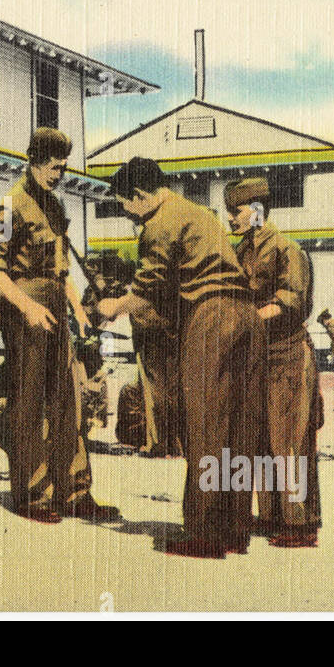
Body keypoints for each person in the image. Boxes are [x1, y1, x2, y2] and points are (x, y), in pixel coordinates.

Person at [97, 156, 264, 558]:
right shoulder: (200, 213)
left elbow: (147, 290)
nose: (128, 213)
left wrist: (113, 306)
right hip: (247, 318)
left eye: (126, 205)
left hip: (212, 319)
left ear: (139, 196)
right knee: (239, 429)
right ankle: (234, 530)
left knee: (205, 426)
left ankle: (205, 534)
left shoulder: (158, 225)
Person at [0, 127, 119, 524]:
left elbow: (61, 271)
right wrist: (25, 306)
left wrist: (76, 309)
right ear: (34, 161)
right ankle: (33, 495)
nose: (58, 175)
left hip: (57, 307)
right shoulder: (10, 206)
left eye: (63, 168)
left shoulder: (55, 207)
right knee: (28, 403)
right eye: (53, 167)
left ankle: (75, 491)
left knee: (69, 400)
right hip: (25, 309)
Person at [226, 177, 322, 547]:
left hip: (287, 354)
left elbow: (291, 299)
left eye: (236, 211)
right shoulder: (241, 251)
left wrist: (247, 319)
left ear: (257, 211)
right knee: (261, 440)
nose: (231, 218)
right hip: (256, 357)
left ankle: (301, 524)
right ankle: (270, 516)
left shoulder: (287, 249)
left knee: (291, 441)